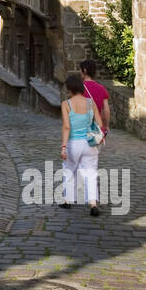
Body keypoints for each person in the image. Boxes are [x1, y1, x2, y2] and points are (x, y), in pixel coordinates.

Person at [60, 72, 105, 216]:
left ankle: (67, 200)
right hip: (89, 143)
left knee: (69, 170)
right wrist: (100, 135)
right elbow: (99, 122)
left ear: (70, 89)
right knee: (91, 173)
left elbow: (67, 127)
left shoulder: (66, 104)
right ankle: (93, 203)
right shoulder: (90, 103)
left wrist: (64, 146)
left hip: (74, 143)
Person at [79, 59, 111, 138]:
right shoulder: (101, 88)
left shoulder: (78, 88)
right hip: (97, 126)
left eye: (80, 69)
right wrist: (106, 126)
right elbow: (106, 110)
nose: (79, 72)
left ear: (85, 70)